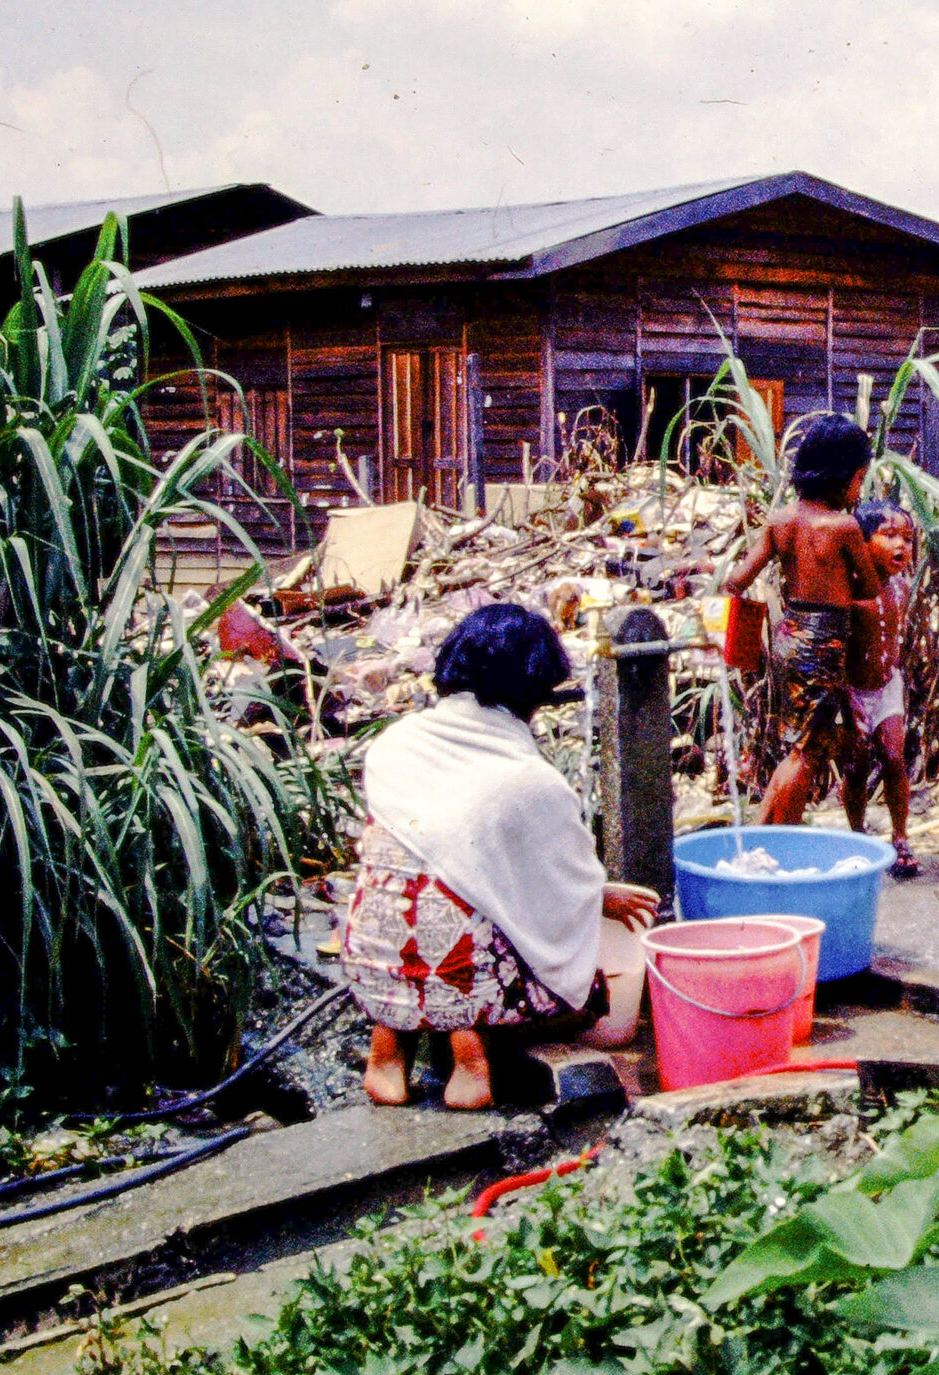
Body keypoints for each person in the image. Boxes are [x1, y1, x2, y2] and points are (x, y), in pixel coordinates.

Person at [339, 603, 658, 1108]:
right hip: (460, 978)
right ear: (532, 691)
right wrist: (595, 897)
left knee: (424, 908)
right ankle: (472, 1059)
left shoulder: (393, 744)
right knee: (577, 992)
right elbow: (552, 882)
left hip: (370, 960)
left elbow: (453, 854)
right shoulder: (529, 781)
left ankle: (389, 1051)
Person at [720, 417, 879, 825]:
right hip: (823, 644)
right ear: (846, 476)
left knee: (799, 744)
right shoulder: (843, 528)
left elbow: (736, 579)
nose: (859, 489)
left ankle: (762, 830)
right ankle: (780, 839)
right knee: (806, 753)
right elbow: (871, 588)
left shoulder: (781, 521)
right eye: (860, 479)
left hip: (788, 636)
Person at [840, 501, 921, 876]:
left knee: (893, 757)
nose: (900, 546)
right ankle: (857, 837)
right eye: (888, 536)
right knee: (855, 767)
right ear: (861, 541)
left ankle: (900, 837)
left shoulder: (900, 587)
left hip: (887, 684)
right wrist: (842, 698)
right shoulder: (847, 592)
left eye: (907, 537)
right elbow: (836, 647)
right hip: (852, 690)